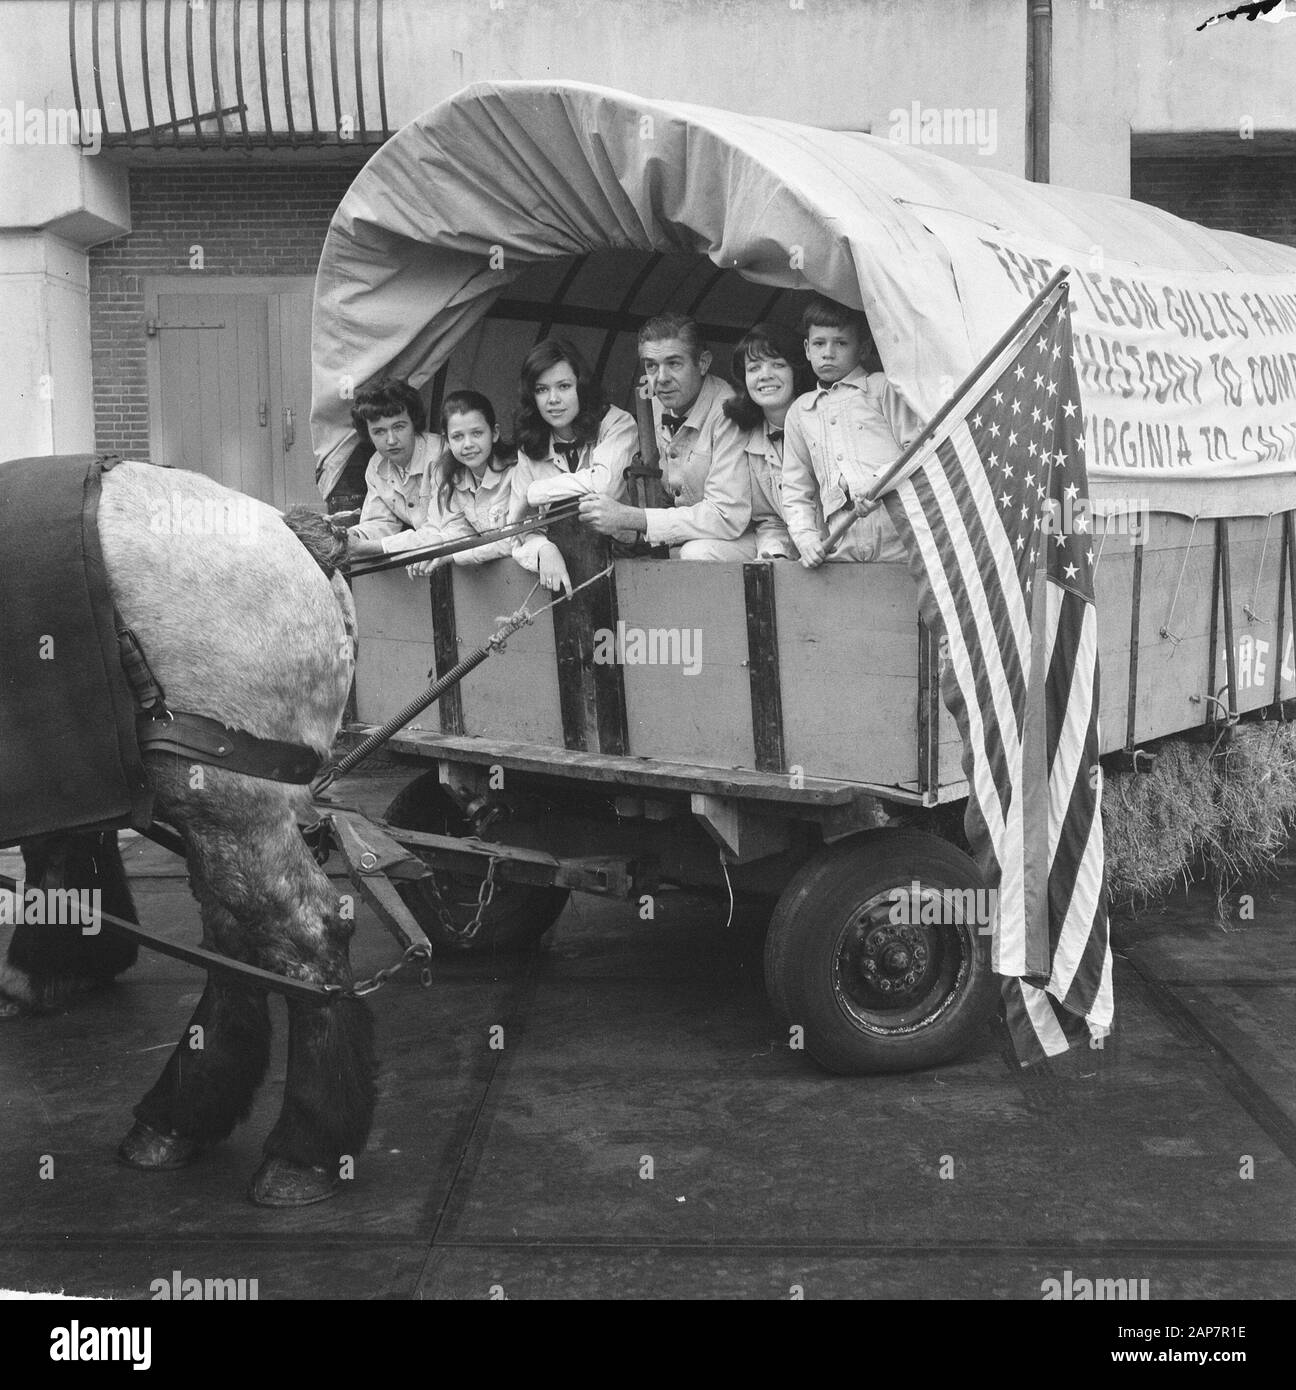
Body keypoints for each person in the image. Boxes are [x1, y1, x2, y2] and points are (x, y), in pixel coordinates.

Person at [576, 313, 753, 560]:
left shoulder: (729, 412)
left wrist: (633, 518)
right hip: (682, 534)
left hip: (741, 536)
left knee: (694, 554)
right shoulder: (653, 405)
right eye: (651, 365)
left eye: (674, 363)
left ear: (703, 363)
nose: (661, 378)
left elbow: (726, 516)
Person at [780, 296, 926, 568]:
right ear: (807, 349)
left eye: (841, 343)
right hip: (840, 539)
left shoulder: (882, 388)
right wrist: (805, 539)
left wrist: (875, 482)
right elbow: (795, 486)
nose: (828, 352)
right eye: (819, 343)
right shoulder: (801, 411)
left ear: (863, 348)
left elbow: (916, 450)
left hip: (897, 529)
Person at [511, 337, 639, 592]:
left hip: (626, 559)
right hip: (566, 567)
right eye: (541, 389)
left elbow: (604, 486)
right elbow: (518, 527)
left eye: (564, 386)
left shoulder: (616, 423)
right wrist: (543, 550)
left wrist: (536, 492)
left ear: (581, 386)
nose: (553, 399)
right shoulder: (530, 446)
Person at [721, 322, 816, 561]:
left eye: (778, 364)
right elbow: (770, 519)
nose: (765, 375)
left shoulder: (821, 421)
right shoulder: (750, 438)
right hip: (796, 553)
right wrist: (775, 554)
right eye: (753, 368)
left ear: (797, 370)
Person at [406, 391, 518, 576]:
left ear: (495, 433)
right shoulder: (454, 477)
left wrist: (452, 555)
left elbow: (513, 540)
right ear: (447, 442)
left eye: (477, 433)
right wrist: (433, 548)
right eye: (458, 436)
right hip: (494, 578)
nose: (468, 444)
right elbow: (458, 529)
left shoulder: (515, 472)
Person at [343, 378, 445, 560]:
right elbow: (381, 522)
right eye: (379, 431)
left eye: (398, 427)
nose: (391, 440)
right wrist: (353, 537)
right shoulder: (376, 466)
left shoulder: (441, 457)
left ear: (414, 423)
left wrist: (370, 547)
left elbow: (438, 533)